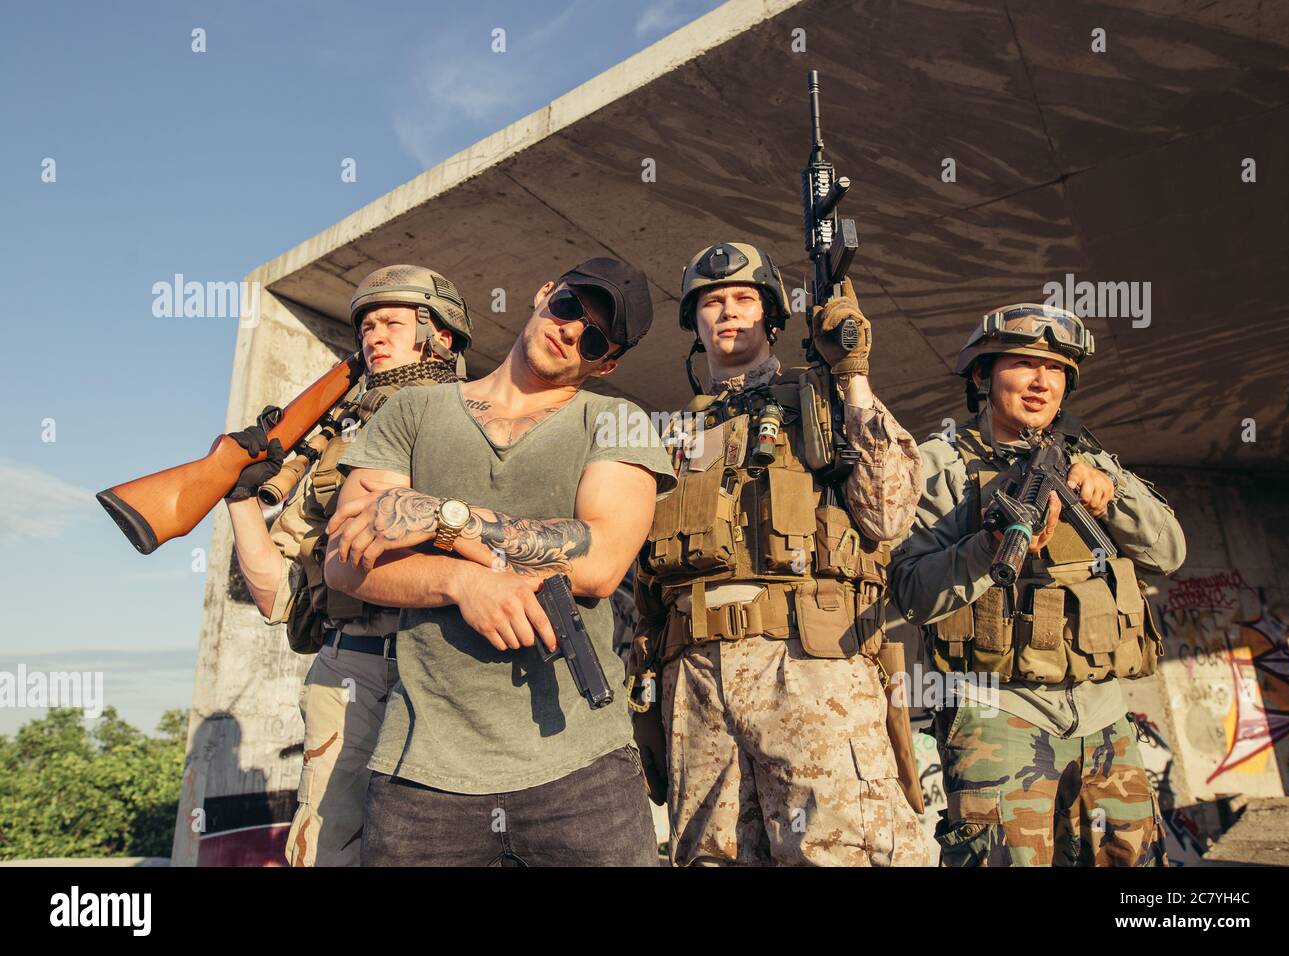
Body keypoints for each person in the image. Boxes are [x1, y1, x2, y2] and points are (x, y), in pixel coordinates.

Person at [324, 257, 676, 866]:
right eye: (569, 307)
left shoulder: (614, 420)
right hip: (422, 773)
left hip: (583, 770)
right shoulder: (412, 412)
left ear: (607, 363)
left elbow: (597, 561)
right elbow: (345, 561)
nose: (569, 330)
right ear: (545, 291)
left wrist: (446, 519)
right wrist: (460, 580)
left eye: (593, 336)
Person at [629, 241, 928, 866]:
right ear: (694, 322)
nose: (728, 312)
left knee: (839, 851)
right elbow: (646, 588)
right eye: (712, 302)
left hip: (811, 669)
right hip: (697, 684)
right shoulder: (670, 437)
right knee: (712, 857)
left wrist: (851, 377)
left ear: (771, 315)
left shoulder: (821, 406)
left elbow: (889, 512)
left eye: (743, 298)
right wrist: (648, 693)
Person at [890, 303, 1186, 867]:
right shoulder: (940, 466)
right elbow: (910, 593)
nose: (1041, 382)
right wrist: (986, 543)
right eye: (1023, 364)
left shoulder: (1092, 460)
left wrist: (1113, 489)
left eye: (1055, 369)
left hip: (1103, 715)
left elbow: (1169, 552)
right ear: (981, 375)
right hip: (998, 713)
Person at [223, 264, 472, 866]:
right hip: (349, 666)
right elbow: (277, 596)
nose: (372, 337)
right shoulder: (342, 439)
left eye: (391, 322)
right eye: (365, 327)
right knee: (324, 851)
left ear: (439, 335)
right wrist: (235, 496)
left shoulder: (479, 419)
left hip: (452, 666)